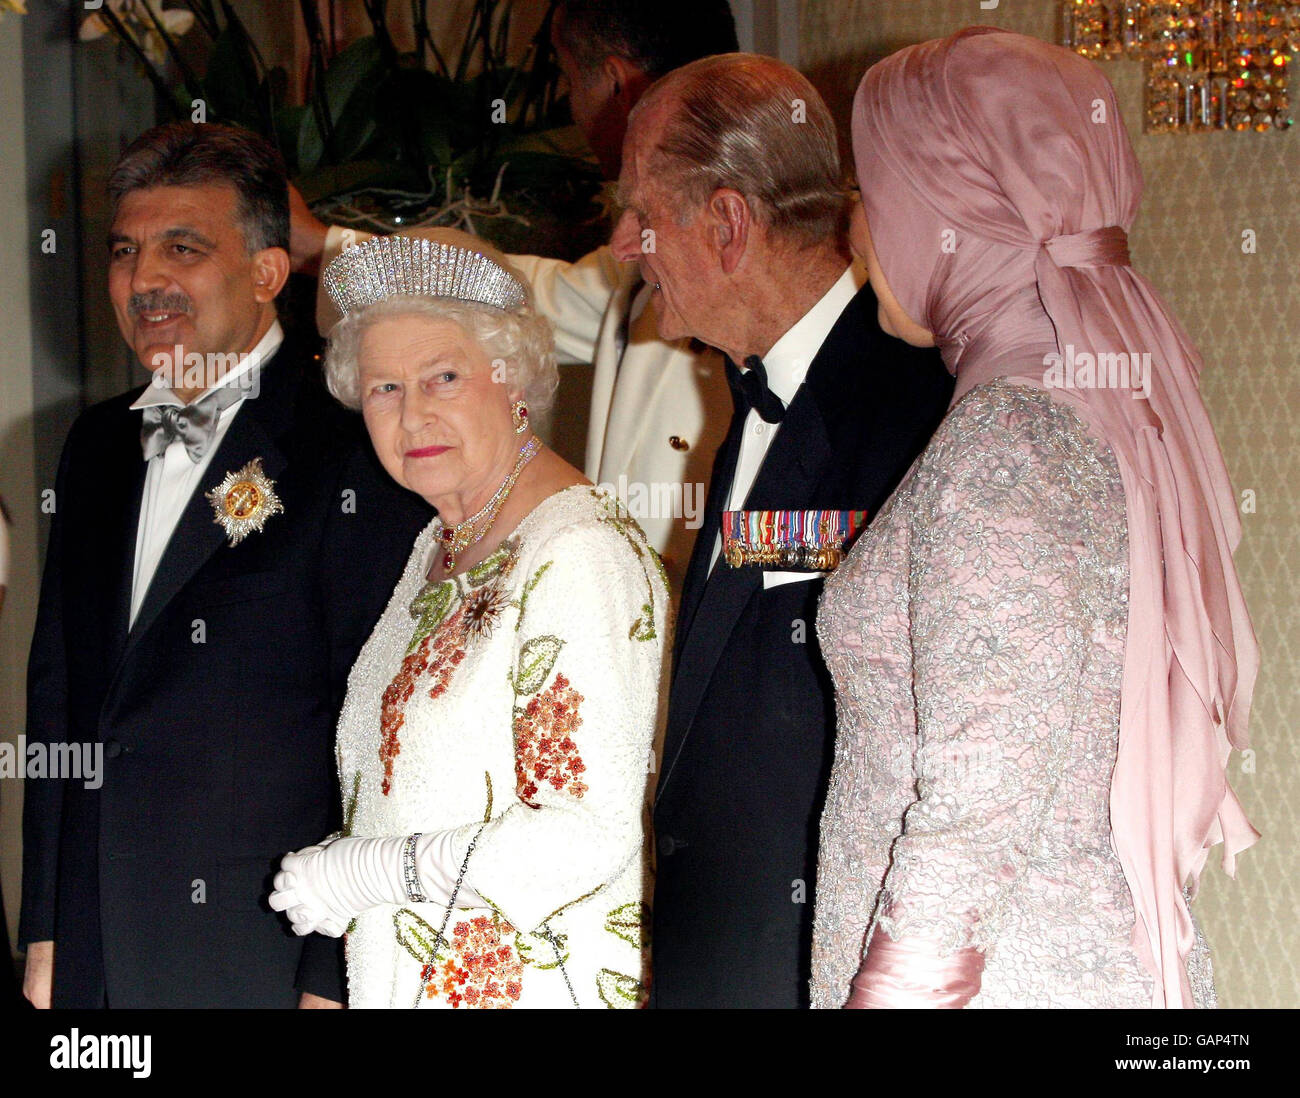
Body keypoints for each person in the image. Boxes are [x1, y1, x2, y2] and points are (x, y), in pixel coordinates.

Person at [812, 27, 1258, 1009]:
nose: (854, 229)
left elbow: (979, 798)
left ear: (952, 212)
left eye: (873, 190)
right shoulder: (1082, 397)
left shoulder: (1013, 435)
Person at [19, 122, 429, 1008]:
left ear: (267, 273)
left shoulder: (349, 448)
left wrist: (332, 977)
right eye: (126, 251)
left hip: (258, 951)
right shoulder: (94, 446)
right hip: (95, 946)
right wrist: (45, 931)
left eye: (183, 248)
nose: (145, 281)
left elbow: (381, 735)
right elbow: (58, 694)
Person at [611, 54, 954, 1008]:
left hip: (818, 967)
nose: (621, 242)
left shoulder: (917, 408)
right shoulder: (751, 393)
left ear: (727, 223)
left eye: (643, 212)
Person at [269, 231, 668, 1009]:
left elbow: (585, 833)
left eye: (443, 376)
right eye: (384, 388)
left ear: (511, 375)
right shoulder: (435, 544)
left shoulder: (577, 550)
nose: (412, 415)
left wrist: (373, 870)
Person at [290, 0, 741, 591]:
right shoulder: (631, 263)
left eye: (569, 80)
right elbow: (492, 295)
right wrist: (321, 246)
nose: (627, 242)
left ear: (613, 82)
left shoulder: (811, 290)